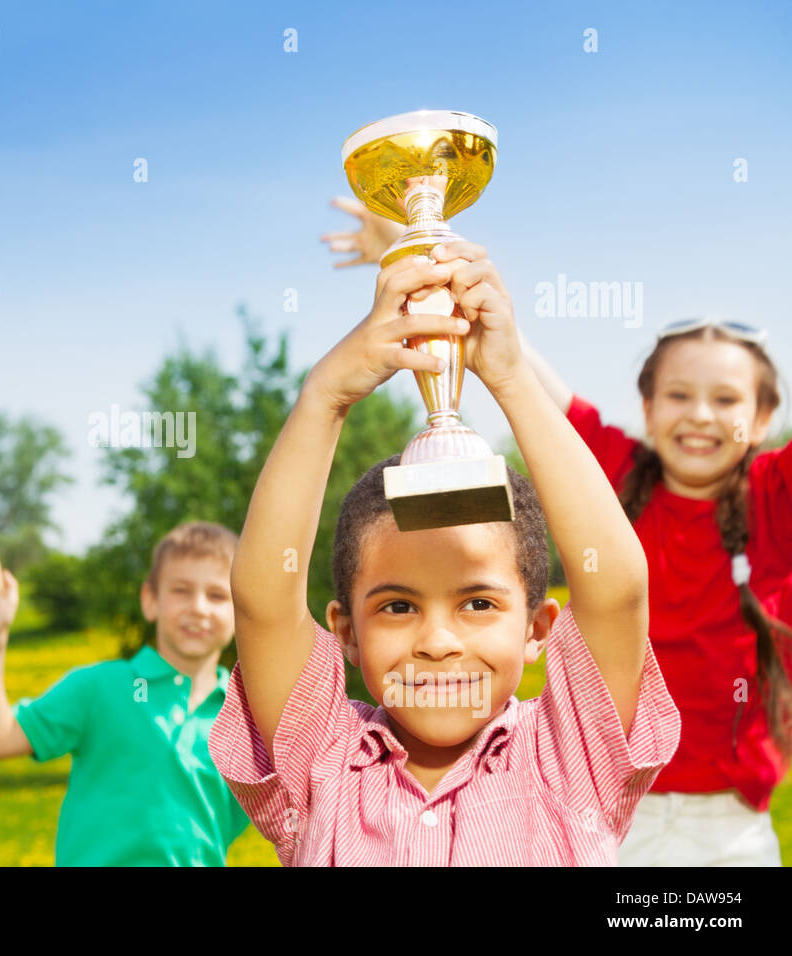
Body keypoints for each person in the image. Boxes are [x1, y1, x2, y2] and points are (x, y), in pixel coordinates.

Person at [209, 244, 680, 865]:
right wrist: (324, 397)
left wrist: (510, 378)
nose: (437, 640)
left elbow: (615, 586)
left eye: (478, 602)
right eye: (398, 606)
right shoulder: (323, 758)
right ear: (346, 632)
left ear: (538, 628)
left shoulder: (569, 760)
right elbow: (264, 601)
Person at [521, 316, 792, 865]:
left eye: (725, 399)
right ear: (647, 409)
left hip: (731, 830)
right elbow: (521, 377)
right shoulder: (613, 470)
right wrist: (436, 258)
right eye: (678, 395)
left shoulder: (775, 497)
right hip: (608, 816)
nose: (699, 414)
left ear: (762, 418)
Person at [0, 523, 251, 865]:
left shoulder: (249, 719)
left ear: (240, 610)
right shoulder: (96, 689)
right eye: (181, 590)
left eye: (217, 595)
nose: (198, 607)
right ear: (150, 600)